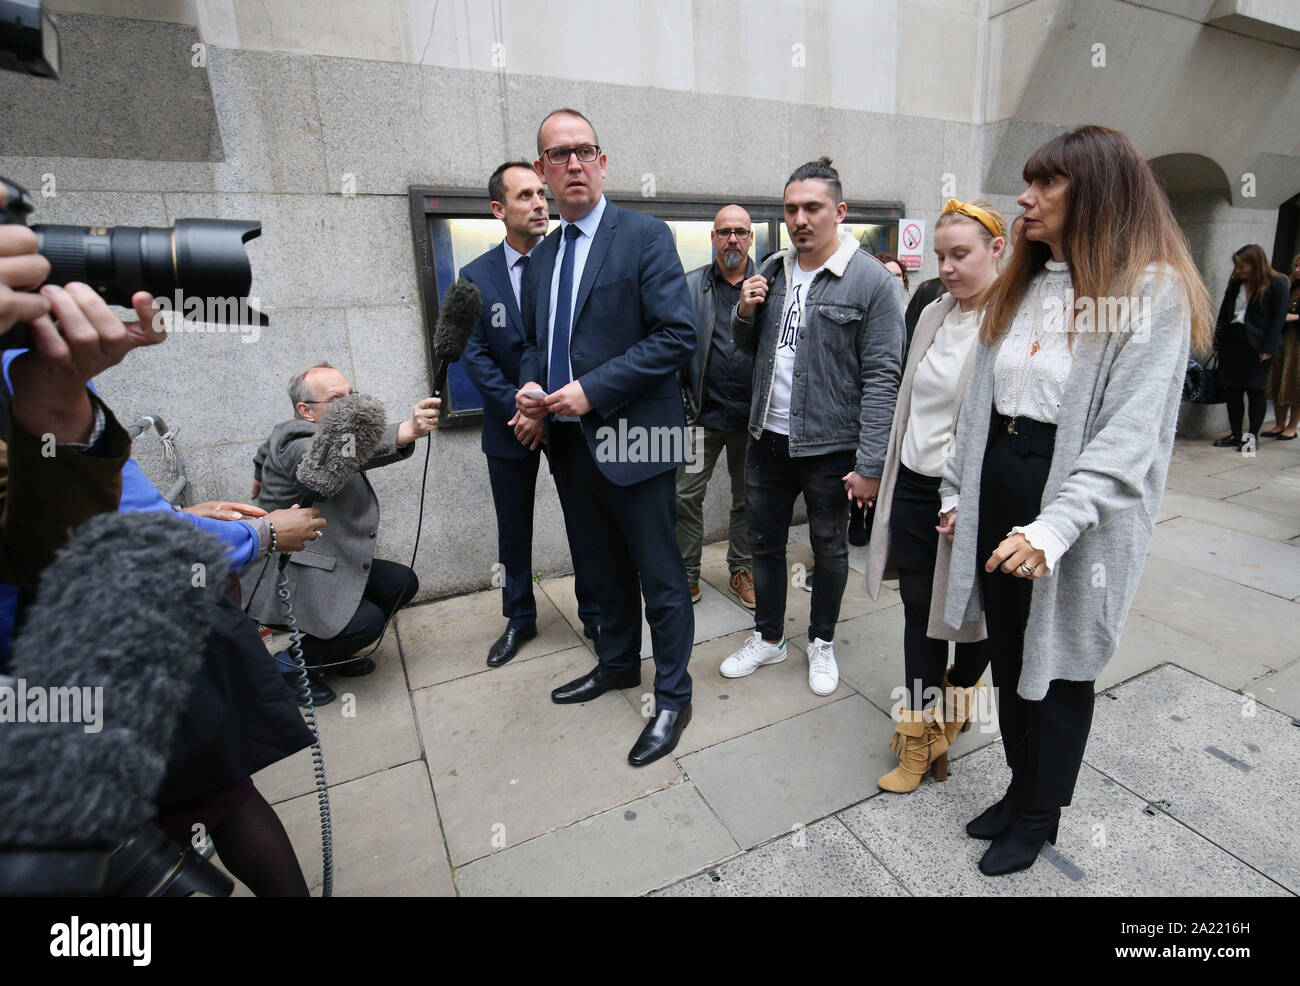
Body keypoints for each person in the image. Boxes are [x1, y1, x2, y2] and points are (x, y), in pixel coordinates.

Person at [936, 125, 1212, 876]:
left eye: (1045, 183)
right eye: (1029, 182)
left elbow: (1132, 436)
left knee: (1058, 668)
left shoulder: (1148, 290)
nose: (1025, 199)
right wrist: (961, 486)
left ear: (1098, 192)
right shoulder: (1026, 278)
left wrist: (1055, 526)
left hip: (1073, 508)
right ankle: (1021, 789)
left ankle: (1039, 815)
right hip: (1003, 479)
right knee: (1011, 652)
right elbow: (980, 403)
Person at [515, 108, 696, 766]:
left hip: (637, 437)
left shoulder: (643, 238)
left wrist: (595, 388)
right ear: (541, 172)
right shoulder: (541, 257)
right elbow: (537, 344)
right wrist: (530, 390)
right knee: (599, 572)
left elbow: (677, 336)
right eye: (557, 155)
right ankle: (618, 665)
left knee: (660, 575)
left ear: (602, 161)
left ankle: (673, 695)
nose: (572, 164)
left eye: (583, 151)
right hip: (567, 443)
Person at [720, 158, 903, 696]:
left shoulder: (870, 281)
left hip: (831, 446)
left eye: (813, 208)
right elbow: (748, 350)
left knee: (829, 547)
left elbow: (883, 378)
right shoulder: (773, 269)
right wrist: (745, 314)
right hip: (766, 437)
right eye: (791, 209)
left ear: (839, 212)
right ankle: (770, 638)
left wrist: (870, 465)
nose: (800, 219)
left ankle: (821, 641)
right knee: (764, 545)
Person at [866, 198, 1006, 793]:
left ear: (996, 250)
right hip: (915, 489)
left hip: (974, 498)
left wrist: (966, 498)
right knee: (920, 615)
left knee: (976, 619)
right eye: (942, 255)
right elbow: (905, 397)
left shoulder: (1013, 322)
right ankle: (920, 737)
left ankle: (956, 706)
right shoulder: (932, 310)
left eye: (961, 255)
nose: (947, 267)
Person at [460, 161, 601, 667]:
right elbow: (473, 354)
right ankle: (519, 617)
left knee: (585, 523)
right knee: (512, 529)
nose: (541, 203)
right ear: (499, 209)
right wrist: (520, 408)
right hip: (509, 426)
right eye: (526, 196)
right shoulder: (474, 276)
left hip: (566, 420)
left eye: (543, 194)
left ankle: (596, 614)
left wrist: (543, 408)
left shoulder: (570, 261)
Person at [240, 363, 438, 698]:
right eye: (336, 399)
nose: (350, 407)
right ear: (306, 411)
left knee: (401, 583)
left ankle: (331, 656)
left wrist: (260, 471)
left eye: (352, 395)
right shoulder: (297, 443)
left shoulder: (289, 434)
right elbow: (335, 454)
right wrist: (406, 429)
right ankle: (289, 666)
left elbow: (265, 448)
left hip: (327, 561)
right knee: (367, 622)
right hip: (289, 571)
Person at [677, 205, 757, 610]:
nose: (732, 239)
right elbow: (672, 349)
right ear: (712, 238)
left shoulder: (769, 286)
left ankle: (741, 569)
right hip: (700, 417)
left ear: (750, 238)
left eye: (740, 232)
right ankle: (687, 573)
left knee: (748, 498)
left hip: (751, 419)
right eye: (724, 232)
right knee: (684, 495)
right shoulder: (690, 286)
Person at [1210, 244, 1288, 450]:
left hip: (1257, 344)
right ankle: (1236, 434)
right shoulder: (1235, 283)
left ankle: (1251, 438)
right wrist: (1217, 342)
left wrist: (1268, 348)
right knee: (1232, 391)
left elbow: (1277, 318)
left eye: (1243, 266)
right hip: (1233, 340)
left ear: (1256, 265)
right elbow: (1224, 313)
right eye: (1237, 266)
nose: (1238, 270)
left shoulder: (1277, 283)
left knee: (1255, 391)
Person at [1262, 253, 1300, 440]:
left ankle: (1292, 426)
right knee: (1277, 379)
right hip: (1282, 339)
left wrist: (1295, 317)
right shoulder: (1287, 284)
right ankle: (1279, 424)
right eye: (1297, 266)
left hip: (1298, 343)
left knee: (1295, 382)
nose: (1297, 270)